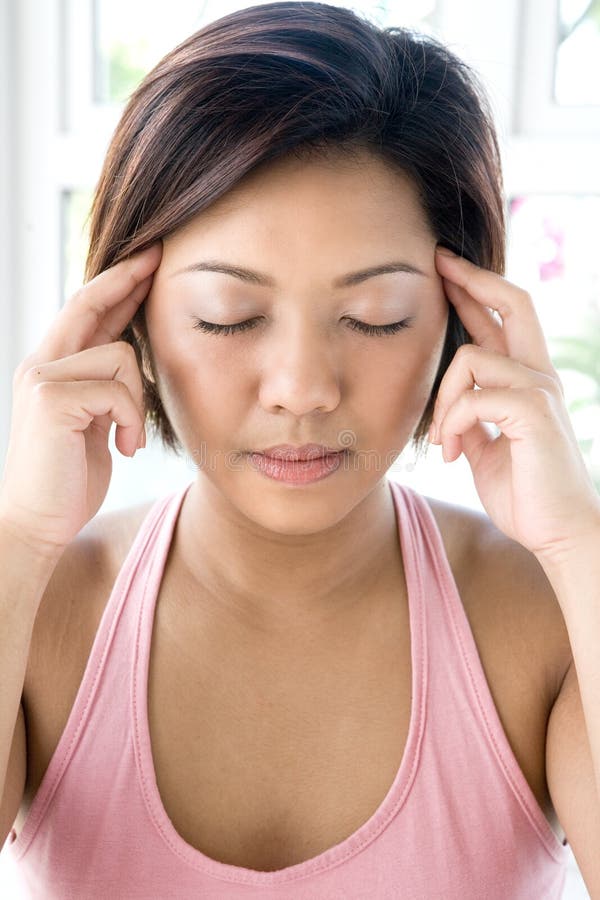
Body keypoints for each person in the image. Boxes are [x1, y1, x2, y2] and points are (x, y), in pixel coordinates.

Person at [1, 2, 599, 897]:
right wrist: (17, 538)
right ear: (130, 321)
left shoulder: (545, 622)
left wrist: (578, 541)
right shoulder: (41, 612)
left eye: (375, 318)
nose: (303, 387)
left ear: (460, 322)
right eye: (229, 316)